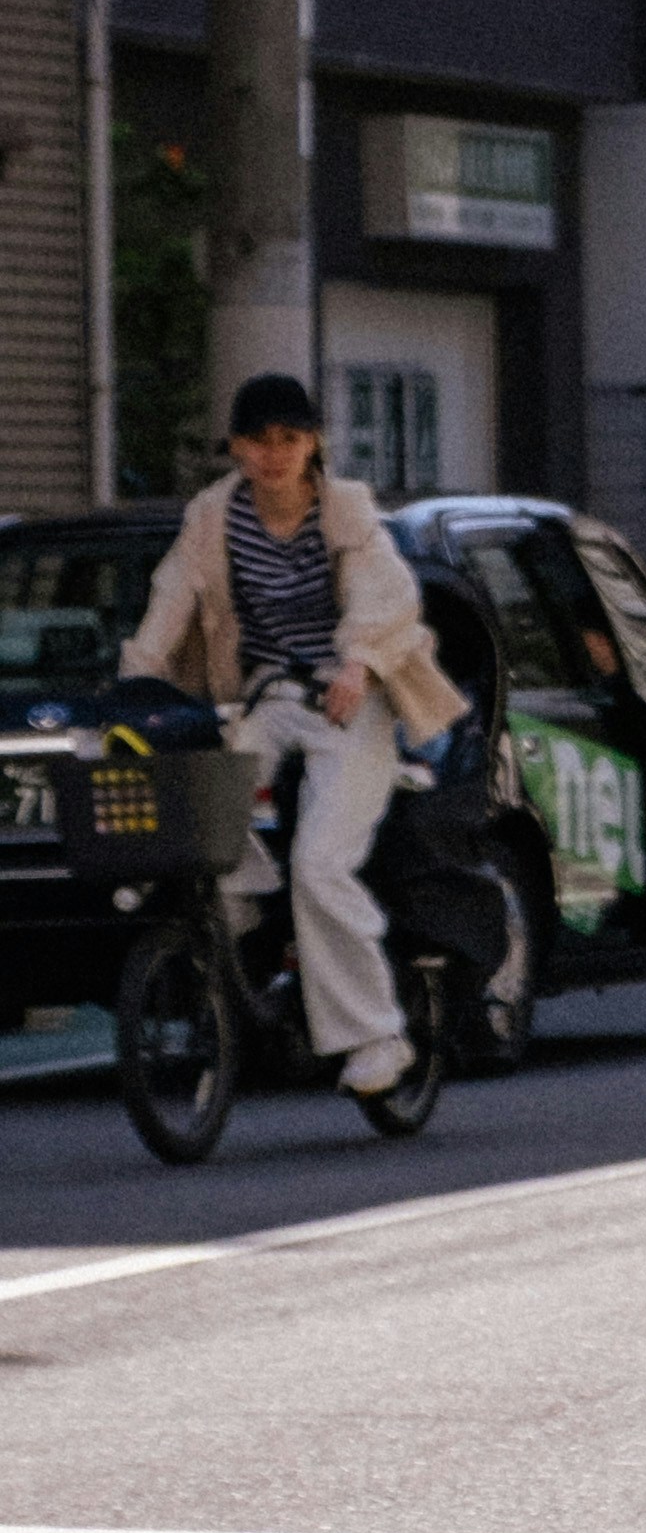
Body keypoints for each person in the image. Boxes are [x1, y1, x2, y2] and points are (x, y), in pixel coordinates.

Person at [127, 375, 467, 1098]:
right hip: (269, 693)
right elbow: (170, 599)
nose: (274, 453)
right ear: (237, 449)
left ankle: (378, 1034)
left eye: (290, 437)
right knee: (206, 803)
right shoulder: (213, 516)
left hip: (354, 697)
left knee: (320, 860)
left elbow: (390, 592)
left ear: (313, 443)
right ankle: (248, 900)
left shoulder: (346, 510)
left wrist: (359, 661)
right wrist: (136, 684)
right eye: (258, 440)